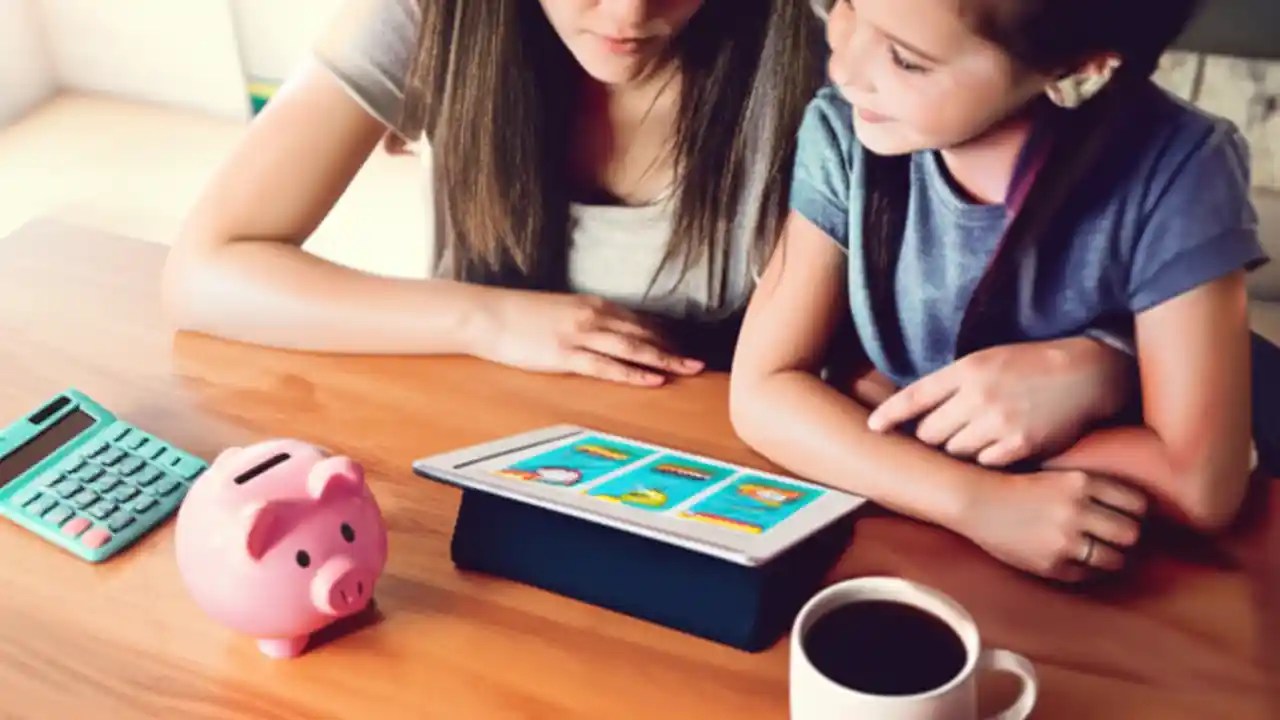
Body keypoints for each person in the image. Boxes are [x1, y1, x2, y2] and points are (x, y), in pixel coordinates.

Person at [731, 0, 1271, 583]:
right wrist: (978, 501)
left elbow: (1200, 486)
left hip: (1107, 556)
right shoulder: (846, 130)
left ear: (1076, 66)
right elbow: (762, 393)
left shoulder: (1179, 169)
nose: (844, 68)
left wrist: (868, 414)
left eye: (907, 61)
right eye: (847, 4)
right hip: (921, 541)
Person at [161, 0, 828, 383]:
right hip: (482, 420)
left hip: (713, 459)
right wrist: (486, 320)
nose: (630, 11)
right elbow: (203, 272)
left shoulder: (824, 36)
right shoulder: (432, 12)